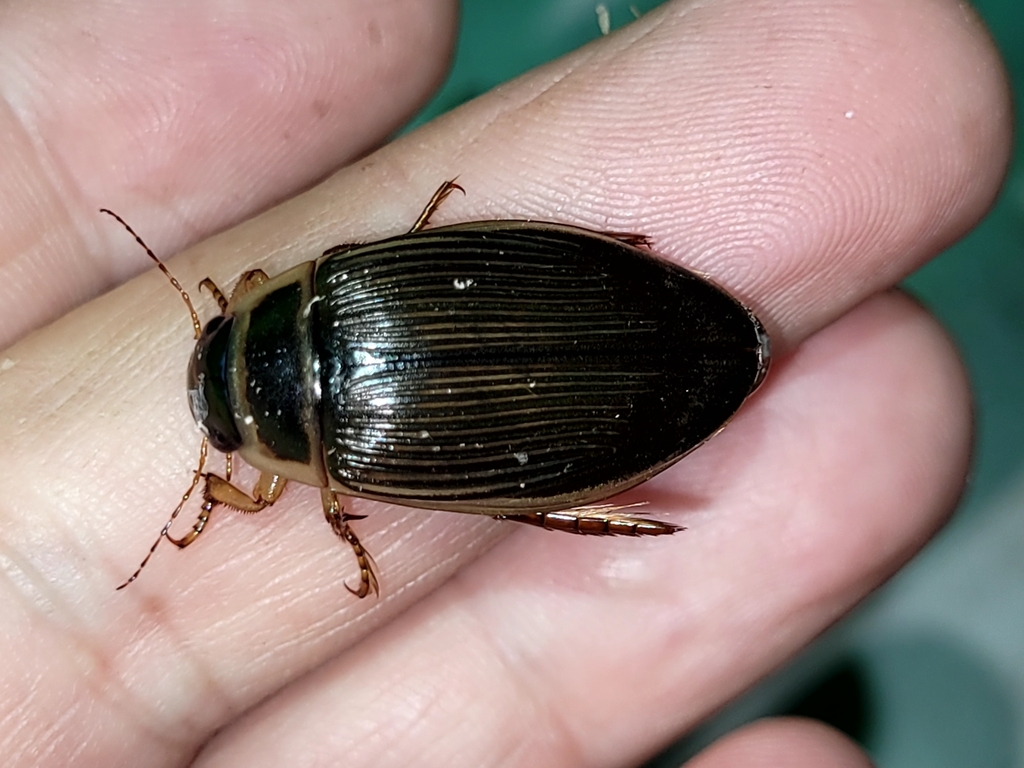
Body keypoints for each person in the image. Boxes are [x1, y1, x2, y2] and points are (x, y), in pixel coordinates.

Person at [0, 0, 1010, 766]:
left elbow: (266, 483)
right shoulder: (338, 281)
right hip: (588, 314)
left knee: (527, 501)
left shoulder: (317, 461)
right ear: (243, 305)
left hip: (603, 376)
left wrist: (267, 510)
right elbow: (315, 274)